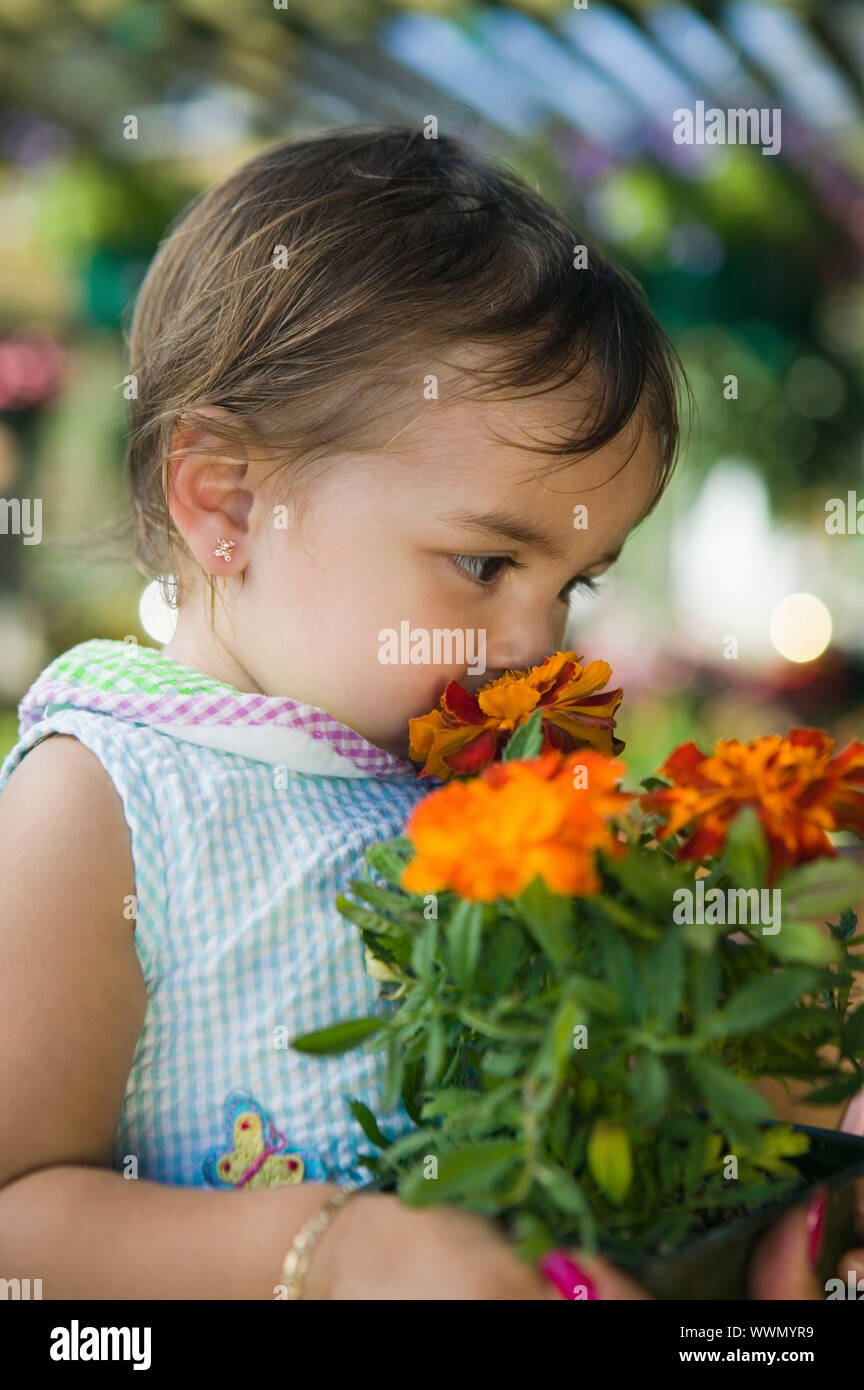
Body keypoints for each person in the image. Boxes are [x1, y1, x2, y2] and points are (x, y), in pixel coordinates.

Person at [0, 126, 860, 1300]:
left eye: (576, 582)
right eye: (482, 564)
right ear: (229, 503)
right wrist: (330, 1253)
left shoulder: (480, 783)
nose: (536, 645)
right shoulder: (107, 798)